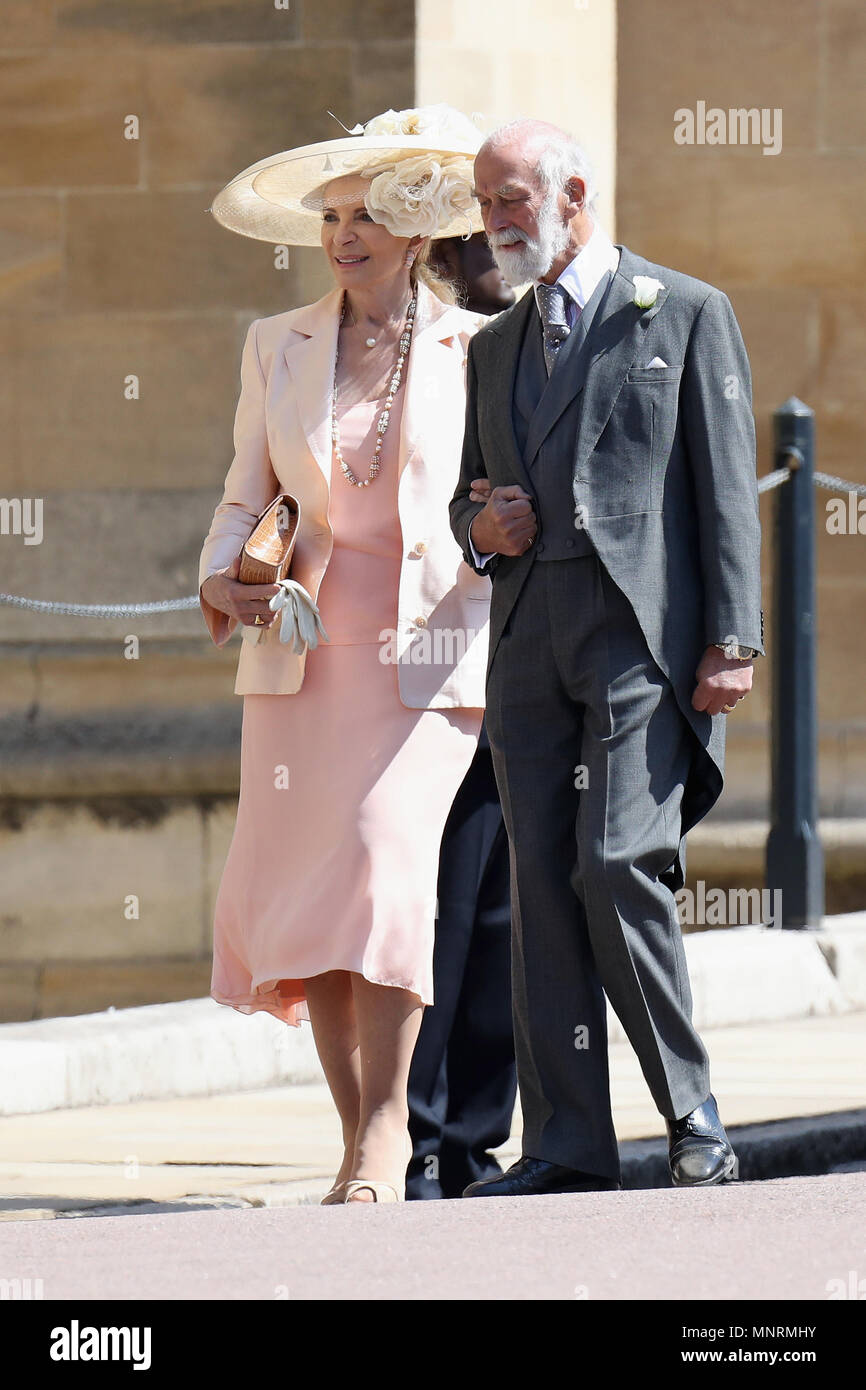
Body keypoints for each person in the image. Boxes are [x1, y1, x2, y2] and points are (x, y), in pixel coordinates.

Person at [450, 119, 764, 1197]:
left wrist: (731, 639)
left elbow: (726, 489)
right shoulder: (490, 348)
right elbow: (466, 497)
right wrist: (482, 524)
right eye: (485, 205)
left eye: (509, 201)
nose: (492, 223)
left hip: (641, 635)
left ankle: (691, 1115)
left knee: (615, 859)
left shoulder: (680, 312)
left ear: (571, 193)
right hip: (528, 638)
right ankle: (567, 1145)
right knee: (540, 882)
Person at [199, 105, 492, 1205]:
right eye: (329, 217)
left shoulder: (478, 346)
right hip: (298, 655)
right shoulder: (275, 342)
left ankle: (385, 1130)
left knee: (381, 867)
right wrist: (219, 574)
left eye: (364, 214)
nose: (341, 234)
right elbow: (243, 493)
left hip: (422, 652)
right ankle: (354, 1137)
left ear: (416, 229)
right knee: (315, 898)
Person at [406, 234, 517, 1201]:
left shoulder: (525, 343)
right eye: (476, 236)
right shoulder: (422, 348)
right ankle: (419, 1142)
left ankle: (476, 1146)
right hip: (415, 667)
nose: (500, 251)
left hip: (518, 663)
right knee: (433, 910)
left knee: (501, 915)